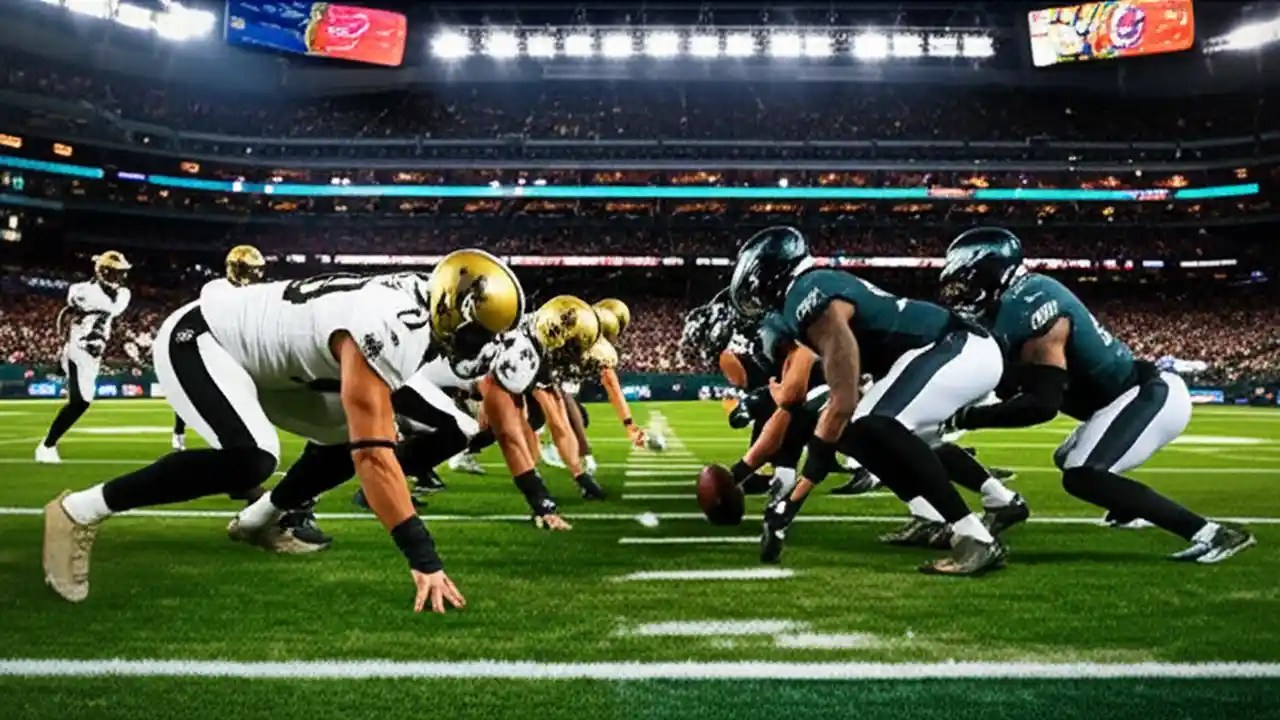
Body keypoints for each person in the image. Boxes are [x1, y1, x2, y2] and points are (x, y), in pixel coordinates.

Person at [43, 250, 524, 612]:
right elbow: (374, 458)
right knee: (252, 457)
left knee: (344, 435)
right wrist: (424, 559)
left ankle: (259, 521)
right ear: (449, 310)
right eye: (478, 332)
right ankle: (77, 510)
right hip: (205, 340)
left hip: (278, 367)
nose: (481, 344)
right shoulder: (393, 325)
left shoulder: (419, 302)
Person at [938, 226, 1255, 563]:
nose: (961, 292)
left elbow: (1042, 406)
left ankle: (1212, 533)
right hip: (1121, 400)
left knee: (1083, 475)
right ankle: (1128, 508)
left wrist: (966, 416)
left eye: (968, 280)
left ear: (991, 271)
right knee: (1067, 459)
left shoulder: (1032, 304)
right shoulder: (1014, 305)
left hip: (1149, 394)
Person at [728, 226, 1007, 575]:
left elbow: (842, 401)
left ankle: (975, 537)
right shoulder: (814, 289)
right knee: (859, 433)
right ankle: (943, 517)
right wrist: (793, 500)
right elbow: (840, 417)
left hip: (957, 346)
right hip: (947, 352)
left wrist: (792, 503)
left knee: (876, 422)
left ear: (768, 273)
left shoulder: (807, 296)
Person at [36, 251, 132, 464]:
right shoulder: (83, 291)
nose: (120, 278)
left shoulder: (119, 295)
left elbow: (113, 307)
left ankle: (48, 444)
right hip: (79, 349)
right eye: (116, 273)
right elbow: (97, 302)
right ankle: (46, 446)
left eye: (121, 274)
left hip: (93, 354)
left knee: (81, 401)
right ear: (103, 272)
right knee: (81, 402)